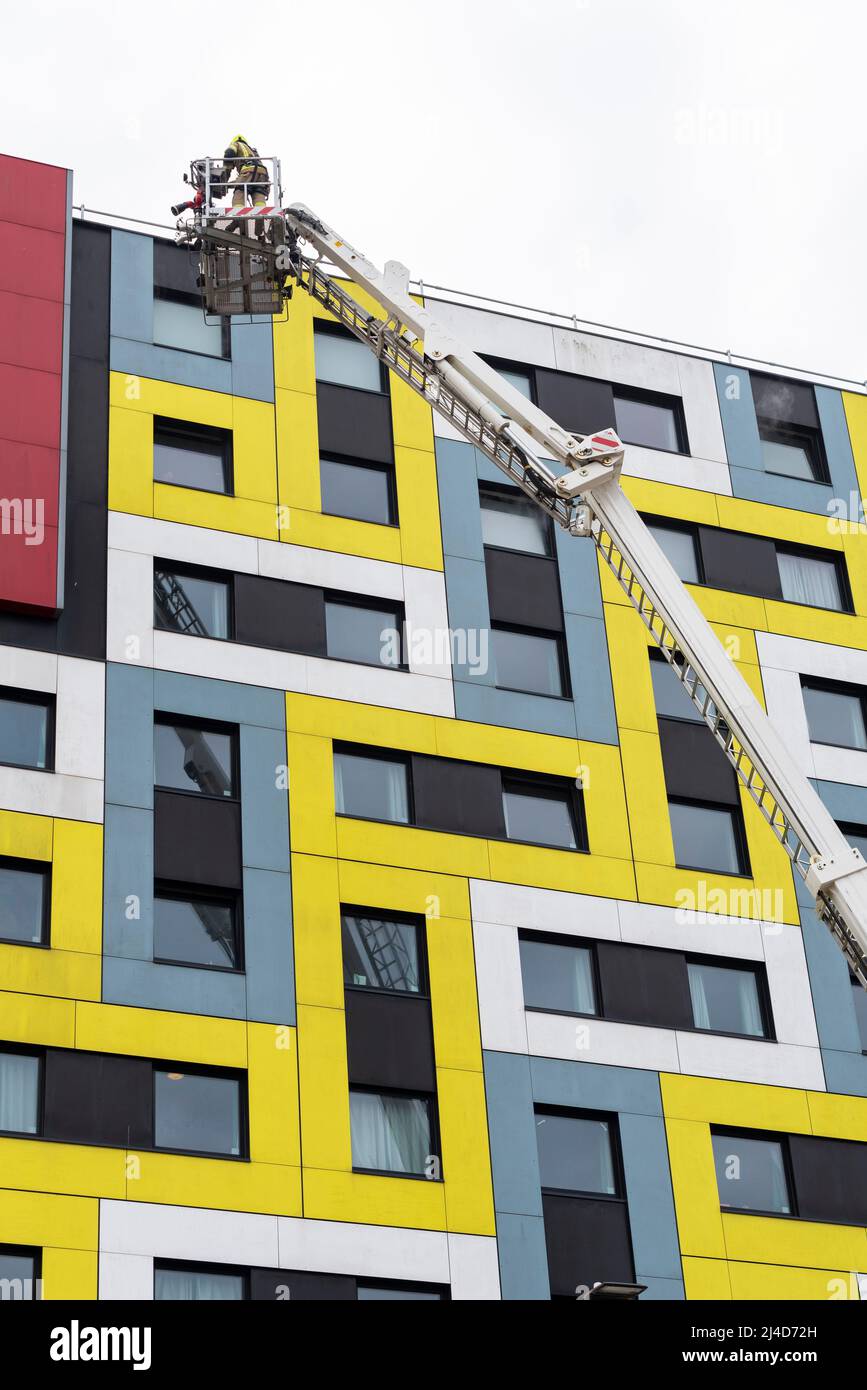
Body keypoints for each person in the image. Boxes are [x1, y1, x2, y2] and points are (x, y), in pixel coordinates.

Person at [222, 135, 269, 209]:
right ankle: (261, 217)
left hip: (248, 170)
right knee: (258, 193)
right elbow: (243, 180)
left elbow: (229, 153)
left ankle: (238, 217)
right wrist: (228, 185)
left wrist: (223, 180)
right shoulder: (253, 151)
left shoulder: (236, 144)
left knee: (240, 192)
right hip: (262, 174)